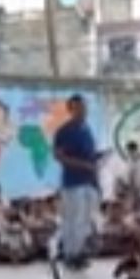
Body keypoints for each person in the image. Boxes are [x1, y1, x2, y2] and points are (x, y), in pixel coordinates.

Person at [52, 94, 102, 270]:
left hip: (89, 180)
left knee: (86, 219)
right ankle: (70, 254)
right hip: (73, 181)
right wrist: (82, 164)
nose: (82, 111)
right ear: (70, 110)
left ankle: (80, 251)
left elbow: (89, 154)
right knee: (73, 219)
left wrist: (96, 160)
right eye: (78, 108)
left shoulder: (87, 129)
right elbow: (59, 156)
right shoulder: (64, 131)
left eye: (84, 107)